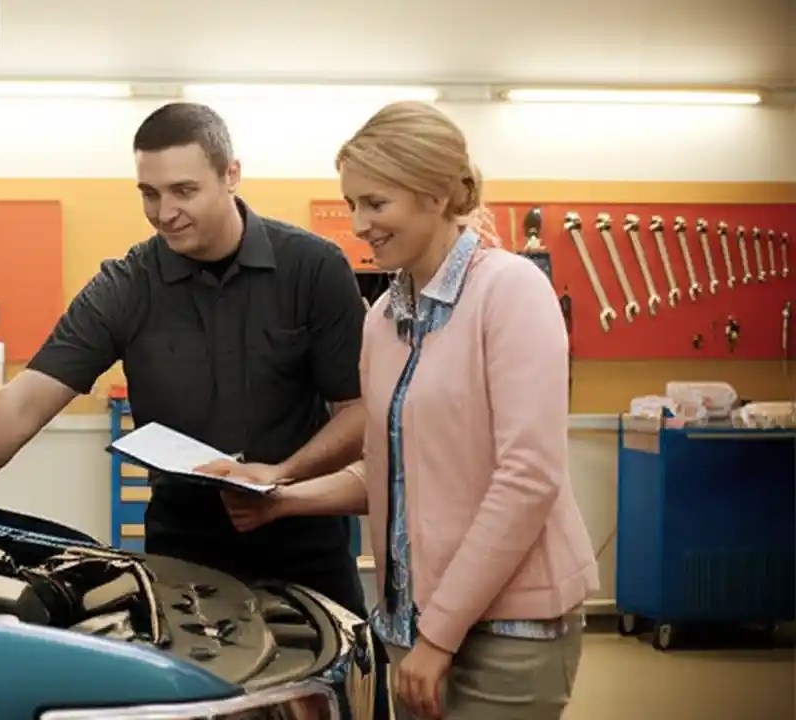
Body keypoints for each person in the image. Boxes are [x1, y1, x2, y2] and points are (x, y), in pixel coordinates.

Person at [0, 101, 390, 716]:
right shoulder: (128, 283)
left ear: (231, 174)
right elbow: (27, 398)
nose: (164, 213)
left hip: (303, 541)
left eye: (184, 190)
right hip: (184, 550)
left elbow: (360, 411)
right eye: (148, 193)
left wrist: (278, 475)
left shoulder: (313, 269)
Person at [201, 101, 600, 720]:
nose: (359, 223)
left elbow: (528, 479)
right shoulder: (386, 319)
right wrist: (280, 493)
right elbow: (390, 469)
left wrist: (439, 635)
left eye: (375, 203)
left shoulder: (511, 292)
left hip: (507, 630)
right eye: (353, 203)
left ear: (436, 195)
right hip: (411, 628)